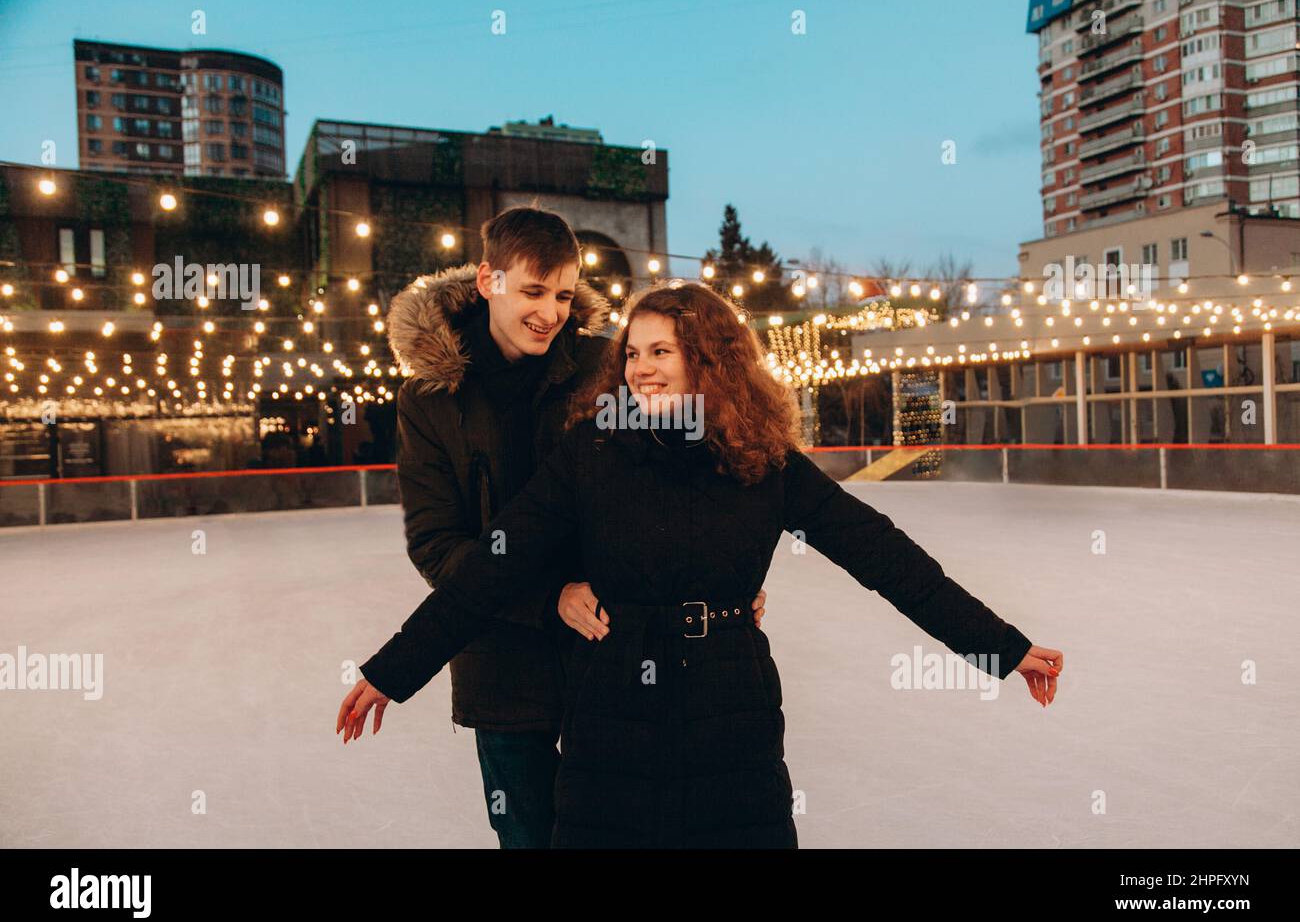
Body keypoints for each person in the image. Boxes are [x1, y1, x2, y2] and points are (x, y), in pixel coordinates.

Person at [339, 281, 1063, 848]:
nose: (641, 368)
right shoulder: (592, 453)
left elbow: (886, 558)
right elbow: (489, 569)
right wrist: (392, 671)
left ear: (709, 358)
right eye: (633, 353)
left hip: (730, 709)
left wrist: (1001, 647)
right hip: (611, 713)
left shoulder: (764, 462)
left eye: (662, 351)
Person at [378, 207, 768, 847]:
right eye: (533, 292)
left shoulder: (602, 368)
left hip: (614, 648)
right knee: (529, 834)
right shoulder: (429, 400)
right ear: (489, 281)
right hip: (501, 663)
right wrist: (546, 599)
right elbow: (435, 543)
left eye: (562, 295)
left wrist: (720, 569)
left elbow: (683, 470)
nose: (550, 312)